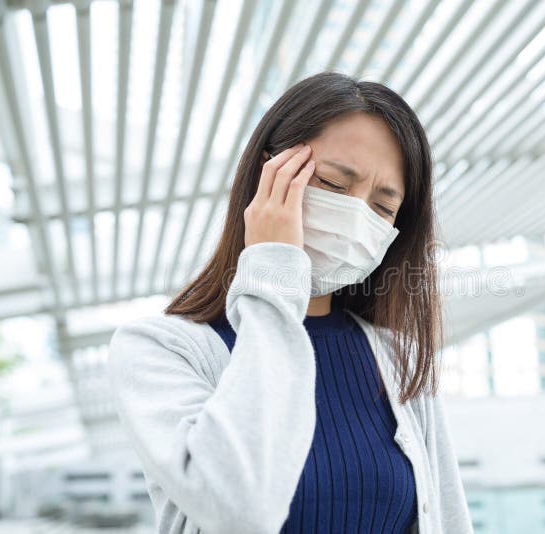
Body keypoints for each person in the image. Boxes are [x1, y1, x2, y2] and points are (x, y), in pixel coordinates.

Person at [107, 71, 473, 534]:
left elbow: (450, 518)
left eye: (382, 207)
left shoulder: (399, 358)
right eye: (334, 184)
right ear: (268, 177)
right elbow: (239, 506)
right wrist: (273, 270)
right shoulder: (160, 349)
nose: (356, 218)